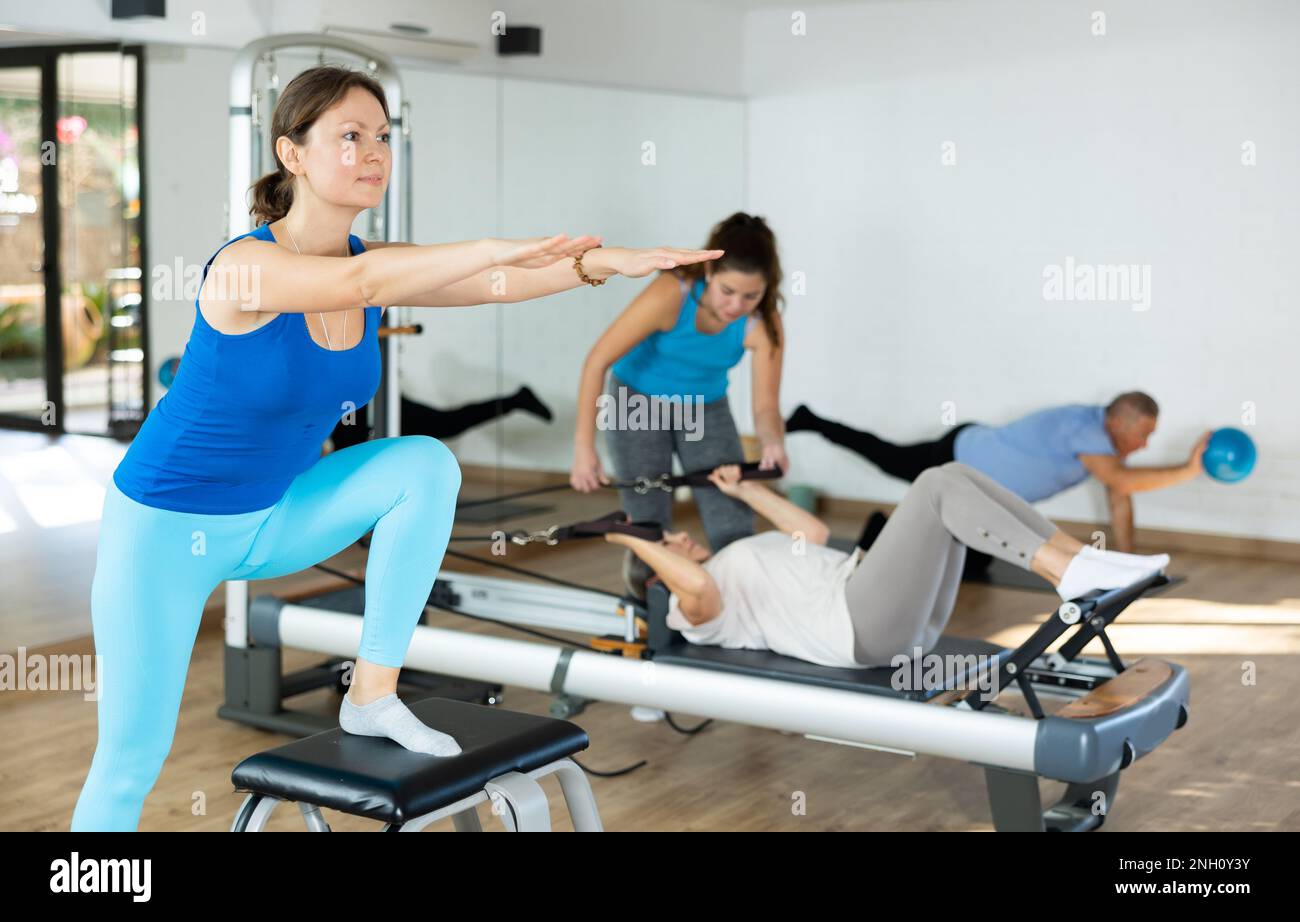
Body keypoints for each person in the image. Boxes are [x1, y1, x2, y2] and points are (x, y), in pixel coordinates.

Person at [73, 64, 723, 831]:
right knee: (131, 760)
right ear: (293, 153)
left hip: (274, 517)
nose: (374, 151)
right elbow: (367, 281)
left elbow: (493, 288)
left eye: (382, 137)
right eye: (350, 136)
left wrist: (599, 266)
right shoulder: (246, 267)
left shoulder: (366, 264)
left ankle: (371, 695)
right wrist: (490, 244)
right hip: (161, 534)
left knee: (423, 463)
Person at [606, 463, 1169, 670]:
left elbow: (815, 534)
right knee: (934, 485)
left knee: (958, 475)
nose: (681, 537)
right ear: (658, 577)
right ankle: (1068, 574)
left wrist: (746, 490)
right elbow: (695, 582)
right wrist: (631, 538)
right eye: (668, 544)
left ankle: (1082, 560)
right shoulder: (693, 608)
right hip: (859, 628)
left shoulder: (736, 556)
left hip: (886, 612)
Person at [570, 213, 791, 596]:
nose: (736, 305)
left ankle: (740, 609)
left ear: (766, 290)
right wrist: (583, 447)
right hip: (636, 400)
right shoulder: (672, 293)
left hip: (705, 407)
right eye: (727, 291)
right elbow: (596, 360)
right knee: (649, 524)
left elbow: (766, 408)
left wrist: (774, 442)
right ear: (709, 271)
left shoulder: (763, 323)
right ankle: (652, 615)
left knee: (732, 514)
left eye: (750, 295)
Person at [786, 392, 1209, 576]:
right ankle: (812, 422)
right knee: (887, 456)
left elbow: (1120, 496)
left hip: (977, 480)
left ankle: (885, 527)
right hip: (958, 458)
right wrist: (1190, 471)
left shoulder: (1104, 442)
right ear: (1118, 422)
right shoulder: (1085, 428)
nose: (1145, 443)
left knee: (975, 564)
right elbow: (1122, 482)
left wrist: (1127, 562)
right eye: (1143, 434)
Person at [328, 387, 553, 451]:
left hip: (363, 403)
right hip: (352, 410)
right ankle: (515, 400)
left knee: (448, 424)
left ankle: (515, 400)